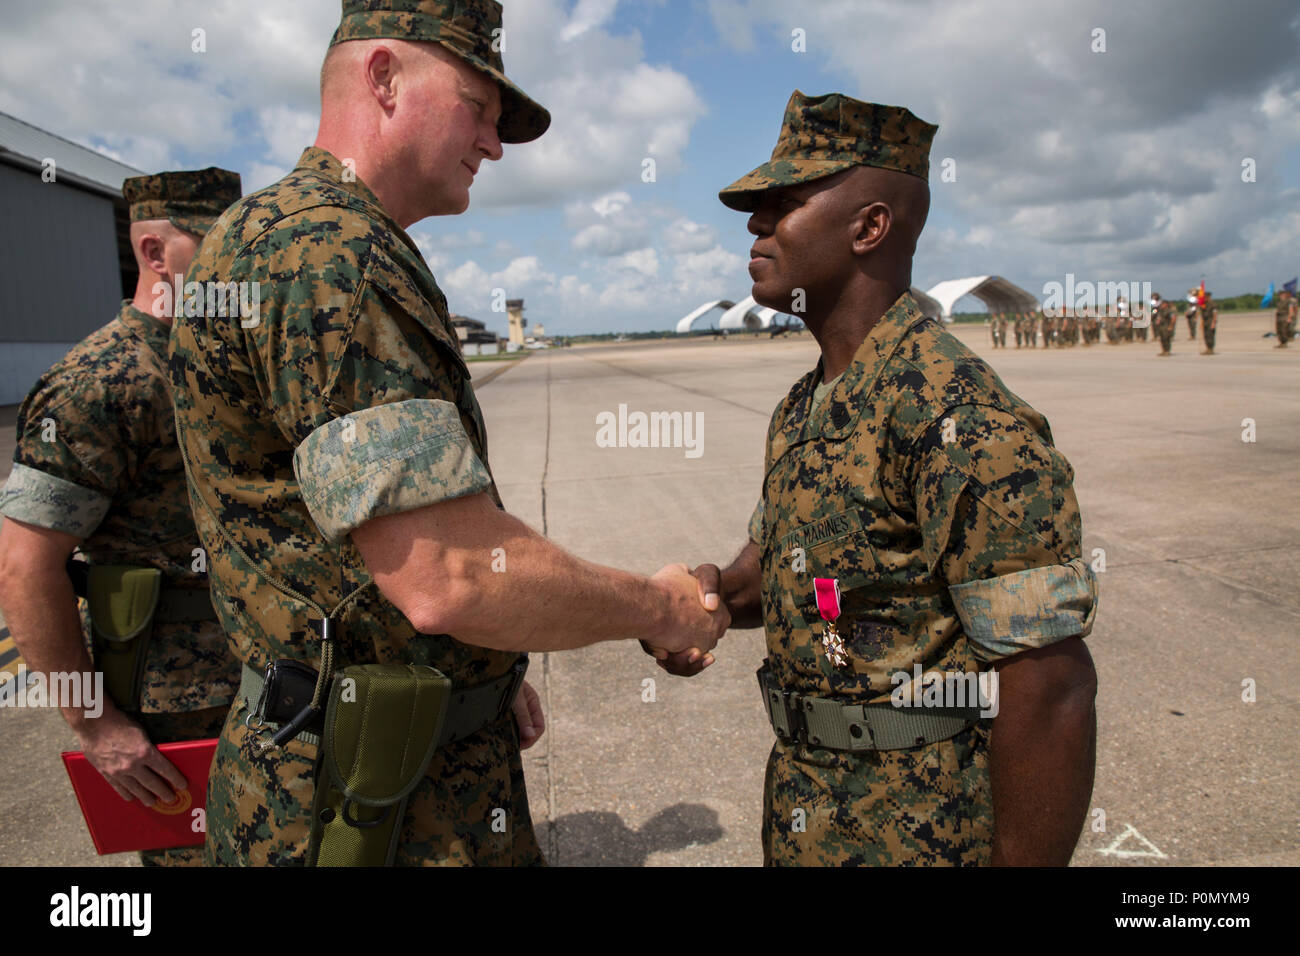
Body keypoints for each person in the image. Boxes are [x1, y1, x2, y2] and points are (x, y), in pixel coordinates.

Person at [167, 0, 727, 867]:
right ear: (384, 76)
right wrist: (659, 608)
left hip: (361, 761)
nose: (495, 147)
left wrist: (486, 679)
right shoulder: (331, 255)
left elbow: (352, 554)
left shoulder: (280, 234)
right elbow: (450, 574)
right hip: (375, 800)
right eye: (478, 107)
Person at [653, 90, 1099, 866]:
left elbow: (1052, 689)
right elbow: (796, 571)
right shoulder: (807, 402)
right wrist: (714, 593)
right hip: (809, 818)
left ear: (869, 227)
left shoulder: (959, 418)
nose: (755, 225)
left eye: (782, 203)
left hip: (923, 833)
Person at [0, 168, 243, 866]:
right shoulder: (98, 383)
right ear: (155, 252)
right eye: (212, 241)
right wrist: (93, 721)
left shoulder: (227, 364)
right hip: (172, 705)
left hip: (266, 682)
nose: (233, 259)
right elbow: (24, 566)